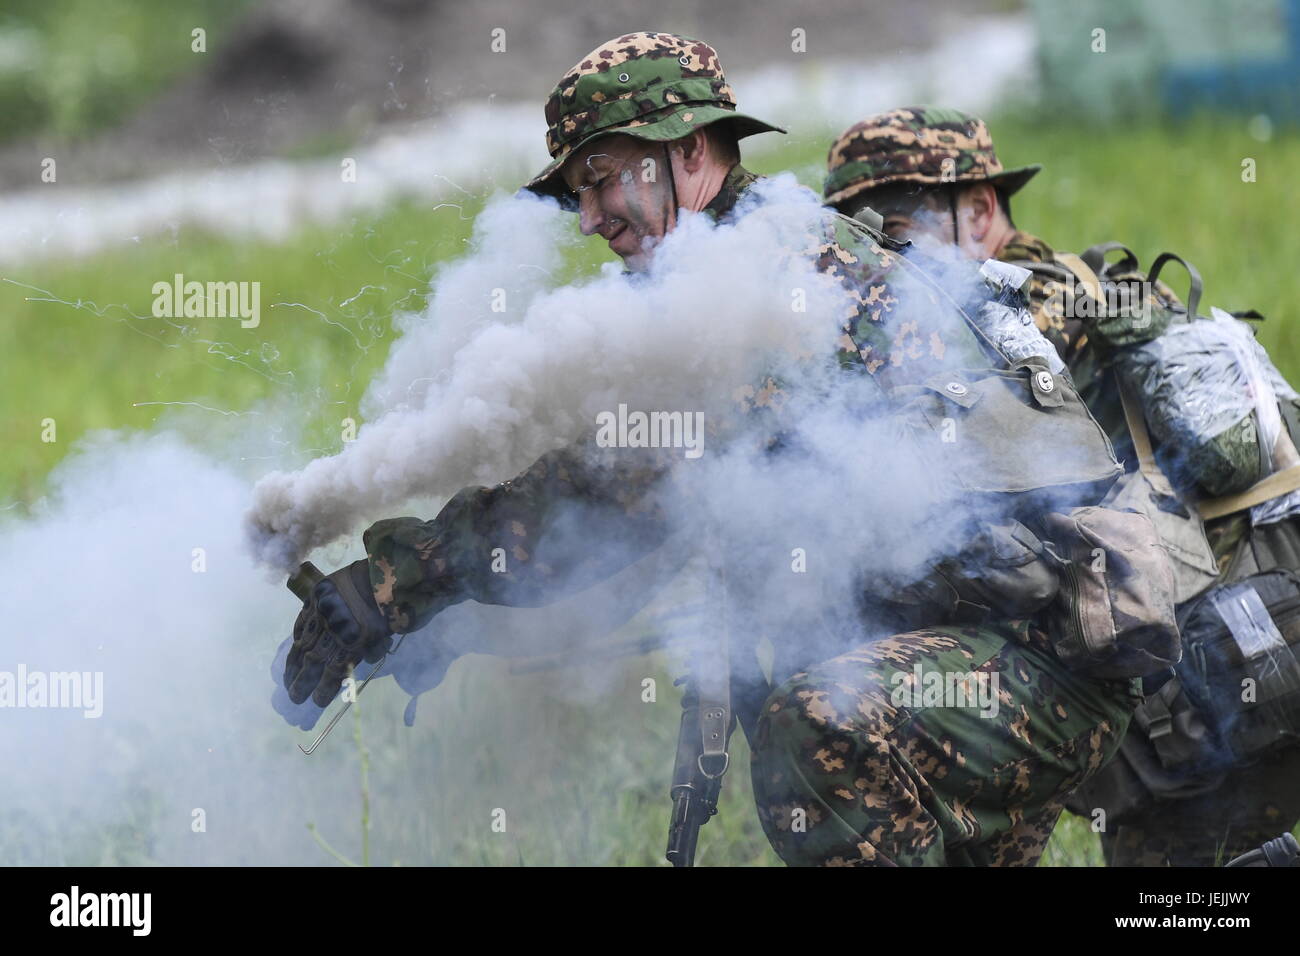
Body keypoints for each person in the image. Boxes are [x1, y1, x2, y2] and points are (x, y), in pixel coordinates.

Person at [278, 36, 1144, 866]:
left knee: (819, 724)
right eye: (576, 193)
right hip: (970, 647)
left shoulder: (777, 276)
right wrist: (457, 622)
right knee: (824, 702)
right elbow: (627, 560)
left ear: (688, 152)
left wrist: (395, 585)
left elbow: (607, 491)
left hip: (1032, 657)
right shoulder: (751, 255)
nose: (588, 221)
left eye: (602, 180)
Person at [823, 105, 1300, 866]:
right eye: (860, 239)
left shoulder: (1028, 310)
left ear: (978, 209)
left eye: (894, 232)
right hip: (1230, 648)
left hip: (1220, 655)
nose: (875, 263)